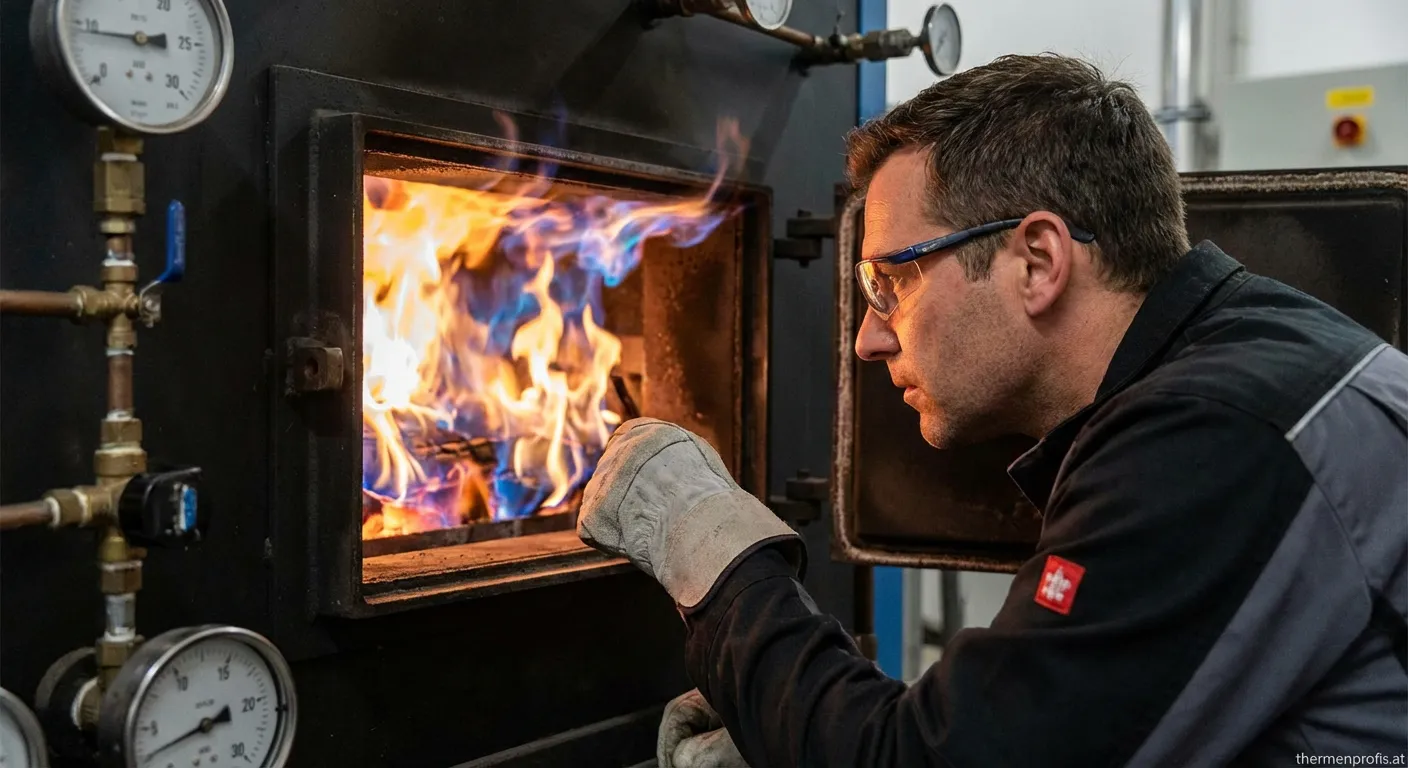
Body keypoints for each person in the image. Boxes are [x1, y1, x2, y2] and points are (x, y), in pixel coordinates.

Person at [577, 53, 1408, 767]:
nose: (868, 338)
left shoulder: (1216, 440)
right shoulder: (1236, 359)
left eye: (888, 282)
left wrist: (712, 551)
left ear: (1037, 261)